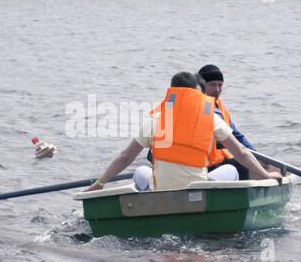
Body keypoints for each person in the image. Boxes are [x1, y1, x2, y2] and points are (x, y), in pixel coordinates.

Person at [84, 72, 280, 193]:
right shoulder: (211, 118)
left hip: (162, 191)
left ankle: (148, 201)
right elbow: (243, 153)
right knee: (233, 169)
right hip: (200, 190)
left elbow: (125, 156)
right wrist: (265, 175)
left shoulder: (157, 119)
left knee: (141, 171)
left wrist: (100, 183)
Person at [197, 63, 260, 179]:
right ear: (201, 86)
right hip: (207, 166)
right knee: (249, 166)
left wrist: (256, 155)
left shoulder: (220, 106)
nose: (217, 90)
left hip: (221, 161)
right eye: (212, 85)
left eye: (220, 85)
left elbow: (237, 135)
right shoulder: (203, 107)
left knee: (262, 163)